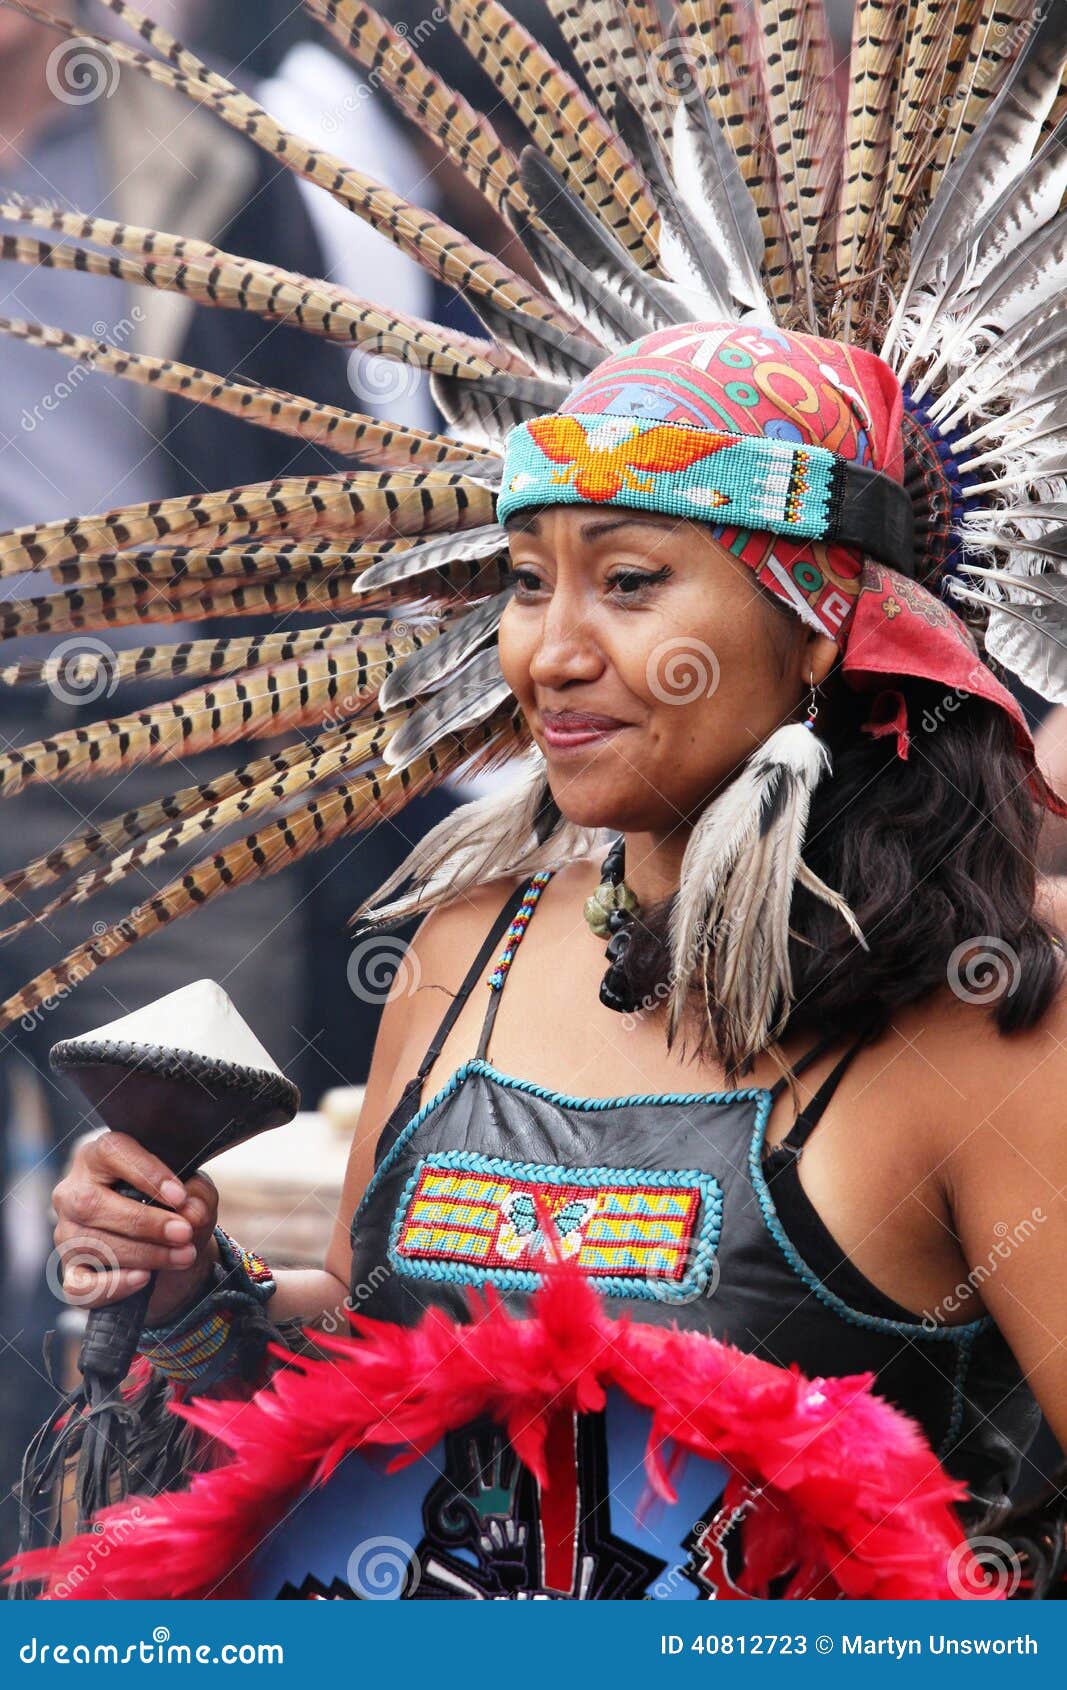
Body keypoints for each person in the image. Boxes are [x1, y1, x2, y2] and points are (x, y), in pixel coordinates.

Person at [5, 0, 1067, 1600]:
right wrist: (196, 1298)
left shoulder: (992, 1022)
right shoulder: (468, 945)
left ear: (823, 624)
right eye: (523, 580)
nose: (551, 651)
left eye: (630, 582)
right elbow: (384, 1376)